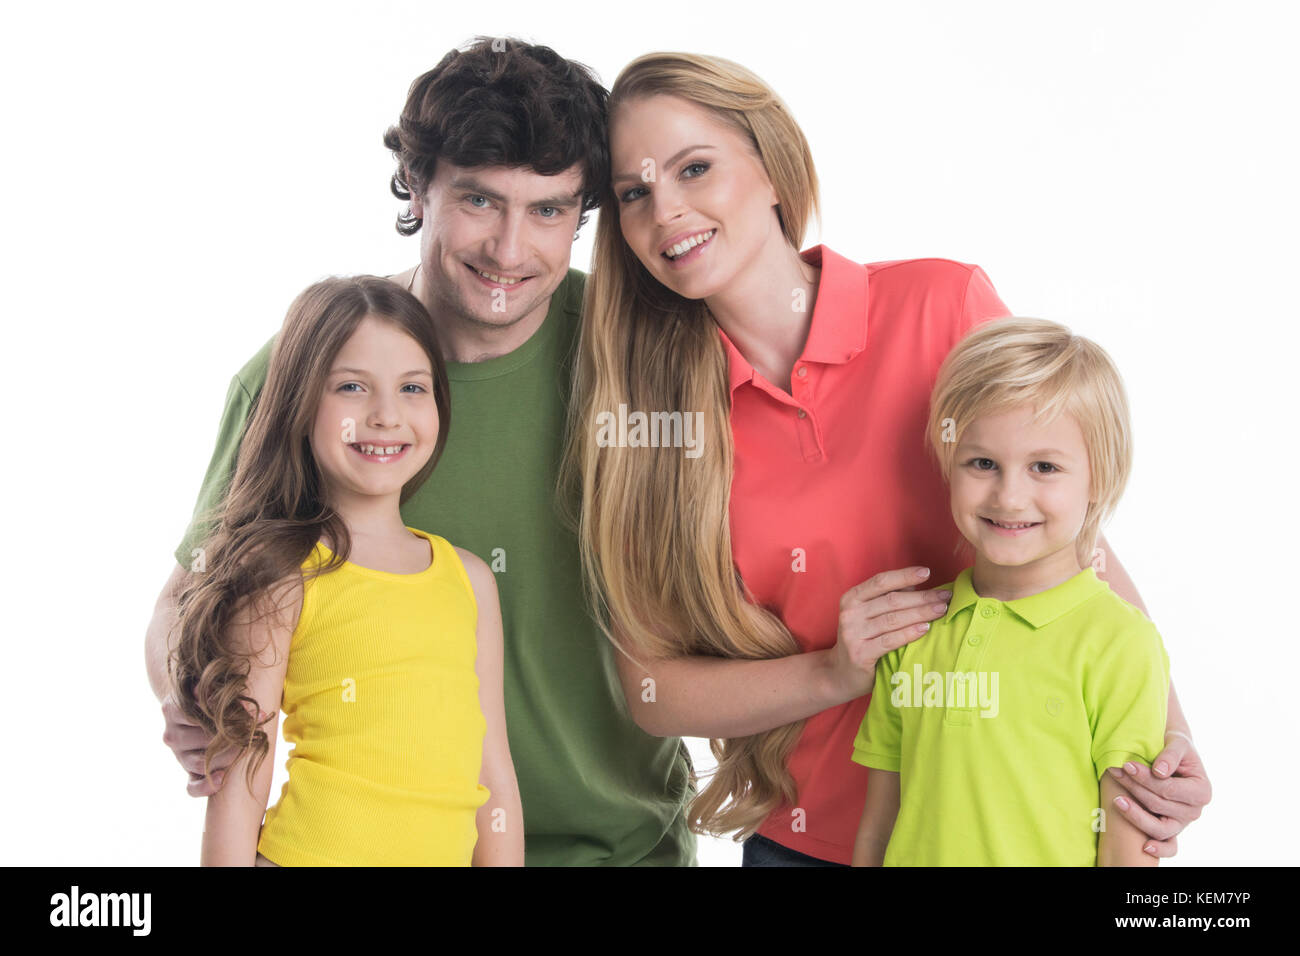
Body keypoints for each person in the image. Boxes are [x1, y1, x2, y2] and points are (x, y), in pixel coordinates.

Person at [566, 51, 1210, 866]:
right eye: (635, 193)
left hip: (1020, 836)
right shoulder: (649, 422)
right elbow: (654, 692)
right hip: (805, 842)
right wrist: (834, 672)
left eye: (696, 168)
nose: (668, 211)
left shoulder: (942, 308)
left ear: (771, 168)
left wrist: (1170, 740)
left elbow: (1075, 544)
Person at [146, 38, 697, 866]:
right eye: (479, 200)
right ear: (418, 184)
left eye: (549, 211)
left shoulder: (638, 349)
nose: (510, 251)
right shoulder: (300, 378)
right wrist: (190, 702)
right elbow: (188, 603)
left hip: (627, 846)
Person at [172, 276, 521, 866]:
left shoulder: (469, 580)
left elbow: (494, 774)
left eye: (413, 387)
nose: (386, 415)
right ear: (301, 404)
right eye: (352, 387)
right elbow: (241, 780)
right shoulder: (281, 575)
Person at [850, 317, 1167, 866]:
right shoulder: (912, 631)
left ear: (1102, 478)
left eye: (1045, 467)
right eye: (983, 463)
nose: (1010, 496)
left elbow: (1127, 849)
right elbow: (879, 828)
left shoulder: (1120, 642)